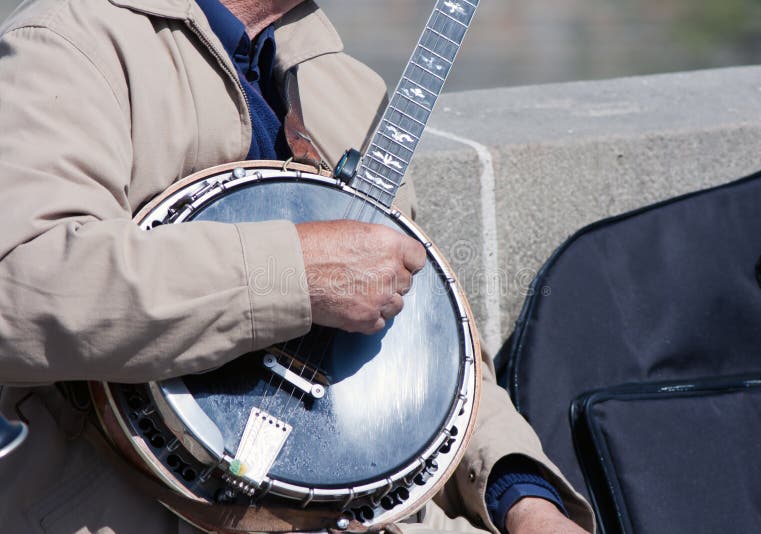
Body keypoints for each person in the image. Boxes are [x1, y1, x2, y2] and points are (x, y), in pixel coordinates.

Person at [0, 0, 595, 532]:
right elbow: (23, 286)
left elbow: (427, 342)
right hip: (126, 505)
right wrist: (301, 276)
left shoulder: (348, 87)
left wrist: (523, 495)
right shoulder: (71, 41)